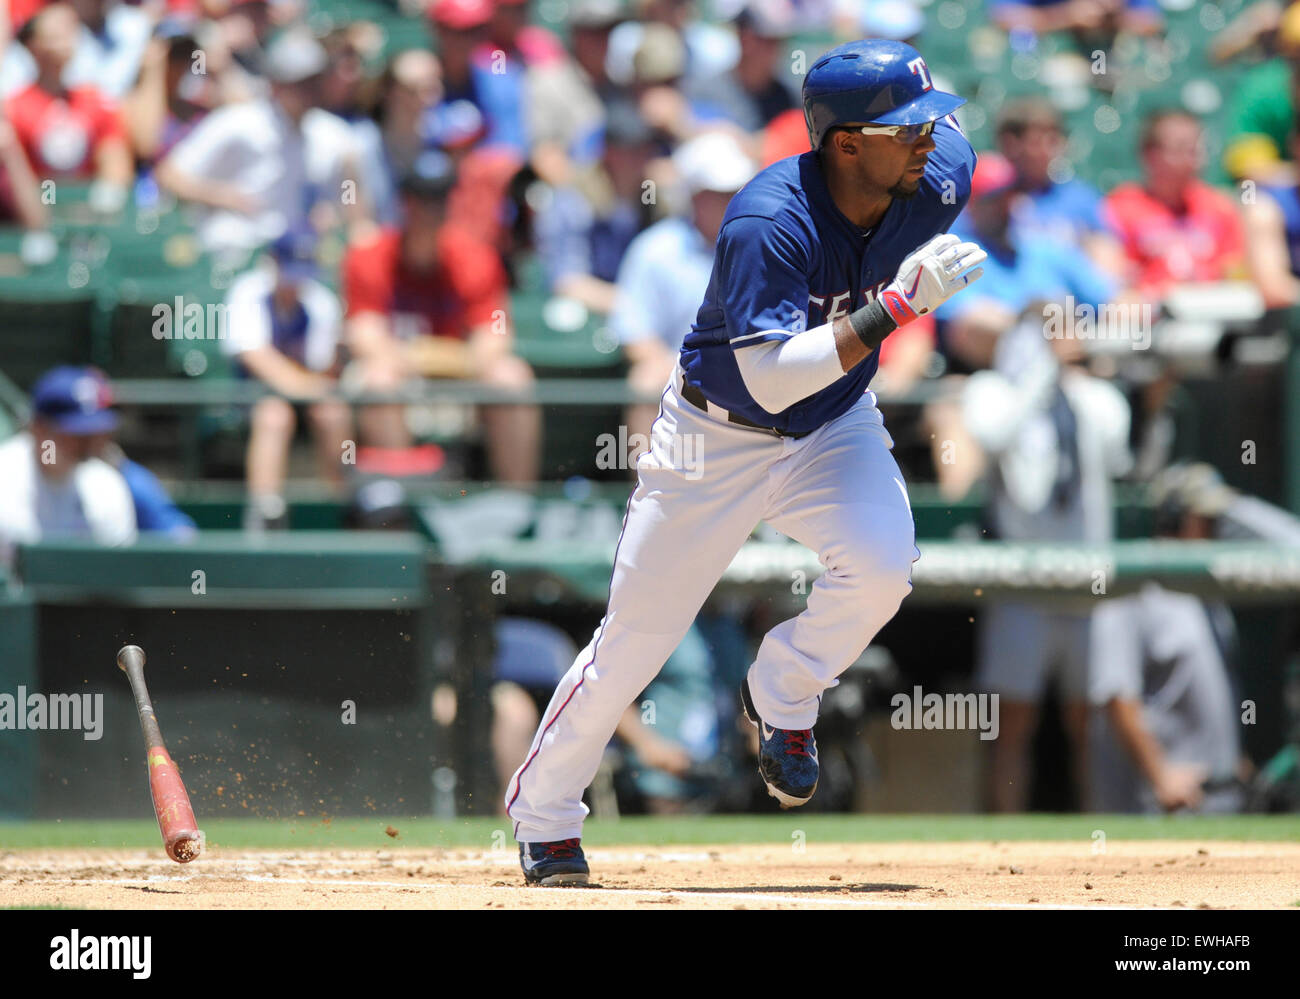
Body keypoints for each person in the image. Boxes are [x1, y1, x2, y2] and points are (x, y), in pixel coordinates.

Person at [505, 38, 985, 885]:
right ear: (845, 143)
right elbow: (766, 378)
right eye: (903, 127)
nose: (927, 136)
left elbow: (814, 380)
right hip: (714, 435)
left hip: (832, 423)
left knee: (882, 569)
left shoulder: (939, 171)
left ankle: (782, 695)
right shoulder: (769, 219)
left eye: (926, 120)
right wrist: (895, 309)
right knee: (636, 644)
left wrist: (888, 309)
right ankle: (545, 817)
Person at [962, 317, 1132, 812]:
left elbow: (1118, 453)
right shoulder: (994, 390)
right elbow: (994, 435)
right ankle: (1003, 837)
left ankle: (1096, 838)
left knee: (1089, 723)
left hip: (1087, 583)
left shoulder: (1091, 399)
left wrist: (1085, 379)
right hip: (1024, 584)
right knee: (1013, 723)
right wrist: (1040, 374)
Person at [342, 152, 540, 485]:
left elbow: (494, 340)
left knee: (512, 377)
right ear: (405, 202)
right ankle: (401, 502)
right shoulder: (369, 256)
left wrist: (430, 357)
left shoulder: (475, 258)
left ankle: (518, 503)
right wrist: (435, 357)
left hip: (457, 381)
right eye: (421, 199)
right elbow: (366, 339)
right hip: (399, 378)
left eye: (438, 200)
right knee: (378, 379)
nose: (430, 210)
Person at [155, 27, 362, 255]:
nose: (309, 91)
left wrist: (338, 210)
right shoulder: (240, 121)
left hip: (295, 256)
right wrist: (222, 195)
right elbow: (168, 175)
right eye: (300, 83)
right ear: (276, 84)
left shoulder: (333, 134)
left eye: (314, 82)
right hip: (233, 248)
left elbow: (351, 197)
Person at [612, 129, 757, 454]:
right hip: (679, 373)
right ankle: (651, 497)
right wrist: (695, 371)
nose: (733, 200)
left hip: (756, 369)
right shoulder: (654, 249)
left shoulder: (764, 245)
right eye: (720, 192)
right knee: (647, 379)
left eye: (737, 190)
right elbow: (636, 337)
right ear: (694, 197)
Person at [221, 227, 349, 530]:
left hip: (309, 399)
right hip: (252, 396)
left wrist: (312, 385)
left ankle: (341, 507)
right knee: (274, 414)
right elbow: (257, 360)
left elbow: (324, 371)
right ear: (273, 263)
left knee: (333, 412)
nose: (295, 281)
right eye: (290, 270)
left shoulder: (321, 301)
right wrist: (307, 386)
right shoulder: (247, 291)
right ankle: (265, 514)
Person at [0, 366, 136, 569]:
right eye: (73, 434)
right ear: (38, 428)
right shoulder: (6, 474)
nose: (84, 444)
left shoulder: (106, 486)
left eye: (92, 434)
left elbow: (117, 573)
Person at [1103, 110, 1246, 301]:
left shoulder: (1219, 206)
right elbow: (1115, 280)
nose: (1192, 159)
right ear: (1150, 155)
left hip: (1214, 310)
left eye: (1195, 149)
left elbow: (1234, 270)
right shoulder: (1120, 208)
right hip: (1150, 316)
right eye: (1181, 149)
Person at [4, 3, 132, 196]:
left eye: (69, 31)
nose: (65, 40)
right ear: (33, 45)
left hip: (87, 216)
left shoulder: (95, 101)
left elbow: (116, 167)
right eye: (55, 35)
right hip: (34, 213)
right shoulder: (12, 108)